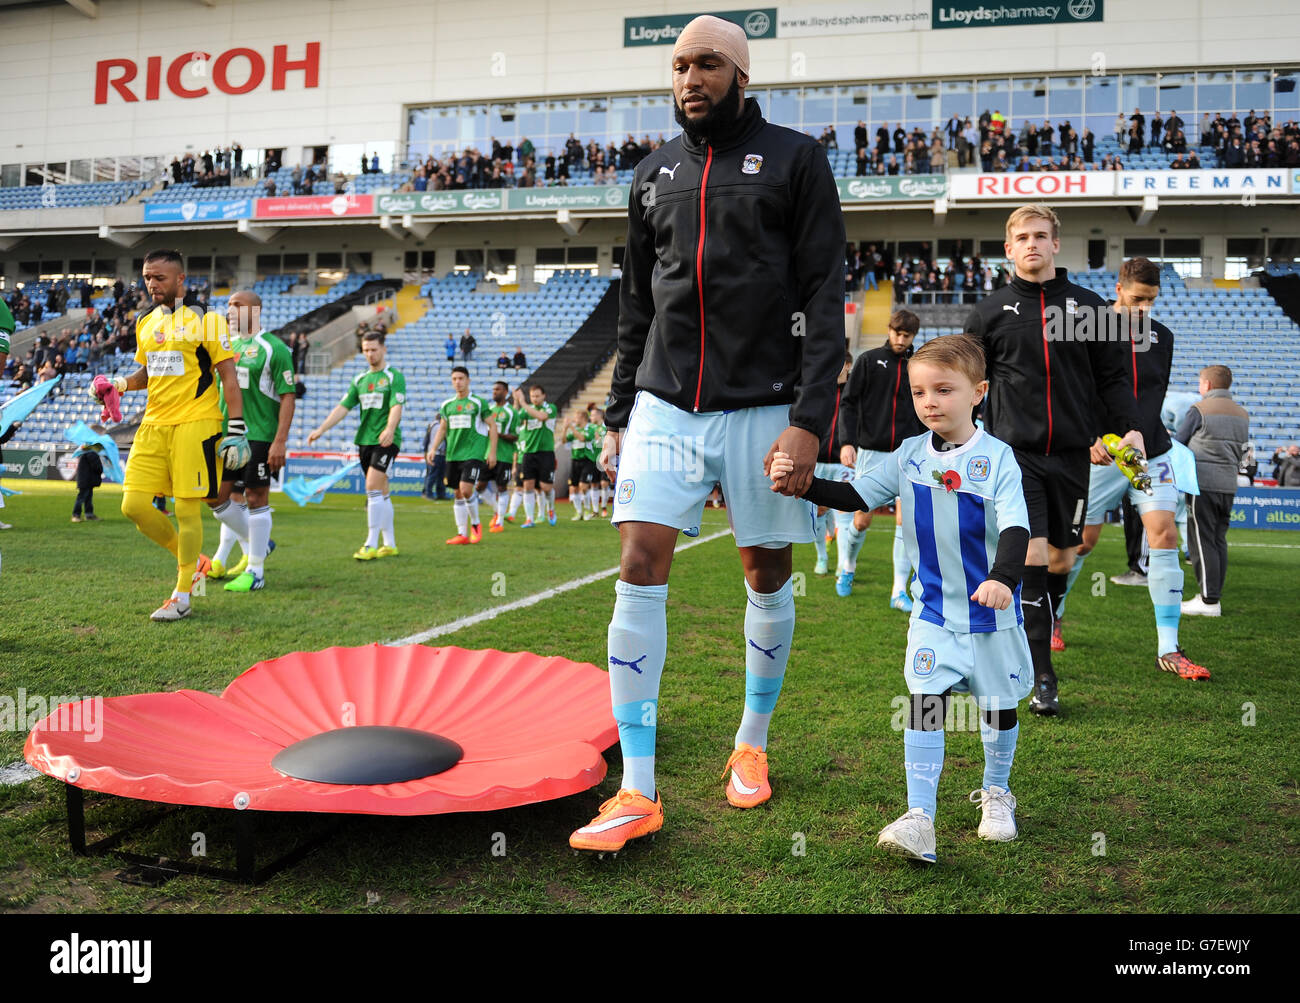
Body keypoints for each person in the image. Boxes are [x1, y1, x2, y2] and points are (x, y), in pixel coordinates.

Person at [568, 16, 843, 855]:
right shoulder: (651, 176)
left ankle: (751, 740)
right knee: (638, 563)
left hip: (767, 404)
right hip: (663, 407)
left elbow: (826, 292)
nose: (691, 76)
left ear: (742, 73)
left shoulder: (797, 159)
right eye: (681, 64)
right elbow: (636, 306)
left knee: (764, 569)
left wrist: (808, 419)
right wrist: (619, 415)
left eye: (708, 63)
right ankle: (638, 787)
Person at [770, 335, 1032, 863]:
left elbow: (1016, 527)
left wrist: (1003, 577)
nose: (929, 401)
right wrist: (804, 483)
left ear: (979, 392)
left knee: (998, 708)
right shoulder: (908, 455)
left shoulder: (999, 458)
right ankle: (920, 818)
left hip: (991, 614)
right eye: (918, 392)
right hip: (932, 614)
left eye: (943, 389)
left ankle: (997, 793)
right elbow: (855, 494)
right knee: (923, 705)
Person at [963, 204, 1144, 716]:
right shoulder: (988, 312)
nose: (1031, 244)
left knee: (1064, 557)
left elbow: (1112, 380)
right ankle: (1042, 675)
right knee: (1033, 557)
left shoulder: (1090, 309)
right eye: (1021, 237)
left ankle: (1045, 618)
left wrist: (1126, 428)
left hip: (1072, 457)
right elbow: (970, 381)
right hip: (1013, 458)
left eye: (1041, 235)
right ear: (1009, 248)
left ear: (1055, 243)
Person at [1052, 258, 1209, 680]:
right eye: (1137, 298)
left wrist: (1141, 437)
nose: (1143, 308)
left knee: (1164, 533)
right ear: (1119, 288)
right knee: (1079, 545)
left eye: (1151, 301)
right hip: (1100, 453)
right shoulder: (1085, 327)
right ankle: (1054, 615)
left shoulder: (1163, 337)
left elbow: (1151, 397)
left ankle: (1169, 648)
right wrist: (1088, 439)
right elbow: (1073, 392)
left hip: (1150, 452)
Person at [88, 249, 247, 621]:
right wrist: (120, 384)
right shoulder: (145, 320)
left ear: (180, 280)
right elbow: (147, 373)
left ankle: (182, 596)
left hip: (197, 422)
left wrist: (236, 428)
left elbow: (228, 375)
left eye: (159, 278)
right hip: (153, 424)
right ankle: (193, 563)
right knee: (134, 506)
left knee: (187, 509)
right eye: (146, 277)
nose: (151, 284)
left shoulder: (207, 319)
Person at [207, 290, 296, 592]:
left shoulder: (274, 348)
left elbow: (287, 396)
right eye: (229, 304)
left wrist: (280, 441)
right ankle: (259, 543)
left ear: (255, 310)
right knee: (215, 497)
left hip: (258, 434)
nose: (229, 310)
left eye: (237, 305)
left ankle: (255, 571)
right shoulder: (225, 346)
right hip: (226, 435)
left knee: (256, 499)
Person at [837, 310, 924, 603]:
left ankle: (899, 590)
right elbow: (847, 403)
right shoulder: (868, 360)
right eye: (897, 333)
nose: (900, 340)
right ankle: (847, 566)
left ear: (914, 336)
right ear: (889, 330)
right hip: (871, 453)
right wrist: (847, 442)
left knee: (906, 522)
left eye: (907, 335)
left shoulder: (919, 365)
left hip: (909, 454)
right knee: (862, 520)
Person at [307, 331, 405, 559]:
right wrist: (321, 429)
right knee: (381, 490)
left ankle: (370, 544)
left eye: (374, 349)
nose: (370, 354)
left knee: (371, 487)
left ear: (384, 349)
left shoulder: (393, 376)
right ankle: (390, 544)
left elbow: (396, 406)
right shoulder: (360, 379)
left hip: (386, 440)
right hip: (365, 440)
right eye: (366, 350)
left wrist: (390, 428)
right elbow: (343, 407)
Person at [1176, 366, 1249, 616]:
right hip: (1228, 484)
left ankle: (1208, 601)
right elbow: (1244, 452)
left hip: (1202, 483)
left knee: (1201, 539)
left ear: (1206, 385)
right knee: (1218, 540)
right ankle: (1211, 595)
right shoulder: (1243, 414)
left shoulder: (1200, 409)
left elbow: (1179, 441)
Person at [427, 366, 498, 545]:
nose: (457, 382)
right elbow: (442, 428)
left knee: (466, 489)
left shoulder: (478, 403)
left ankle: (475, 525)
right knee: (458, 493)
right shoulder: (447, 405)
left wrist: (492, 451)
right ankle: (462, 534)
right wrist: (433, 448)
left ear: (468, 380)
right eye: (454, 379)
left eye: (461, 378)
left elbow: (493, 427)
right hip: (453, 454)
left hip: (473, 453)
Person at [808, 345, 853, 577]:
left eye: (841, 365)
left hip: (843, 463)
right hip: (818, 460)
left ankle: (843, 565)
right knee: (817, 513)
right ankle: (822, 558)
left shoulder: (854, 393)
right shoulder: (819, 390)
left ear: (848, 366)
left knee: (844, 516)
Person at [512, 383, 558, 527]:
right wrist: (516, 401)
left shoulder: (550, 408)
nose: (535, 399)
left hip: (546, 453)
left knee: (546, 487)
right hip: (528, 453)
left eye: (537, 396)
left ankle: (551, 509)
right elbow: (514, 419)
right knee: (528, 485)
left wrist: (524, 403)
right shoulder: (527, 410)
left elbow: (542, 417)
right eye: (532, 396)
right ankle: (529, 519)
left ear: (544, 396)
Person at [487, 380, 520, 530]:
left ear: (506, 392)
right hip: (487, 454)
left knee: (502, 488)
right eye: (494, 389)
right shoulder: (488, 410)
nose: (495, 392)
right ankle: (497, 510)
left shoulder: (511, 412)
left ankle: (499, 522)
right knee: (480, 487)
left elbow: (516, 436)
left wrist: (498, 434)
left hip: (504, 455)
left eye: (498, 390)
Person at [562, 413, 597, 521]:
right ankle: (579, 512)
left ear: (583, 418)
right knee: (574, 487)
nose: (574, 419)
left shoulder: (591, 428)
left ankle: (587, 509)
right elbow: (564, 441)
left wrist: (571, 427)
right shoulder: (575, 429)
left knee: (584, 486)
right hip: (575, 460)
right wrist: (564, 429)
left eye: (576, 417)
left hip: (587, 460)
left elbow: (582, 438)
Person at [71, 444, 104, 522]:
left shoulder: (85, 453)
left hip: (86, 479)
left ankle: (89, 514)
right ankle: (76, 515)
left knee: (87, 497)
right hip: (86, 479)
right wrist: (101, 468)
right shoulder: (91, 453)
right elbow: (97, 466)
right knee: (82, 497)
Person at [422, 417, 448, 500]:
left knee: (436, 475)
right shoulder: (440, 427)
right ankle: (429, 493)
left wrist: (426, 452)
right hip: (437, 453)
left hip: (435, 453)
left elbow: (426, 440)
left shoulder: (431, 426)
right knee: (434, 475)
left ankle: (436, 494)